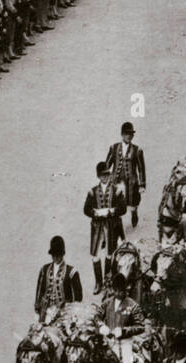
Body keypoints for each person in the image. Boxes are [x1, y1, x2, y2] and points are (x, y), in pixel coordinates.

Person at [96, 272, 145, 363]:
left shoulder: (133, 305)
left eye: (121, 290)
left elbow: (141, 326)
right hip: (108, 342)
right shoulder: (107, 303)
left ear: (126, 289)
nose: (118, 293)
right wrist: (101, 326)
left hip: (125, 343)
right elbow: (96, 316)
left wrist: (124, 331)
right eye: (116, 290)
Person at [83, 160, 128, 293]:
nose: (105, 177)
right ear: (98, 176)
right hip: (97, 227)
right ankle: (98, 282)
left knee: (110, 254)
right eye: (102, 175)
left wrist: (111, 211)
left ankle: (108, 280)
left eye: (107, 174)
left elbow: (123, 208)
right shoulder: (92, 192)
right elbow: (86, 209)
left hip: (111, 226)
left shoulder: (117, 190)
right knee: (95, 255)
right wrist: (95, 213)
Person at [106, 121, 147, 228]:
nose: (129, 136)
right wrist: (105, 178)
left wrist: (142, 184)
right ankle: (115, 223)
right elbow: (107, 164)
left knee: (132, 202)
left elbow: (141, 168)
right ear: (122, 134)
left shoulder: (137, 150)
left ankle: (134, 214)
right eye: (126, 134)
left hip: (131, 182)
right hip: (116, 181)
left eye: (131, 134)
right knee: (115, 202)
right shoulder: (114, 148)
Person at [34, 235, 83, 319]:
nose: (55, 257)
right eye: (53, 255)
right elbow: (40, 291)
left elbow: (78, 297)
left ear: (62, 254)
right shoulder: (44, 269)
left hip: (64, 314)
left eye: (58, 254)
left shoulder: (71, 272)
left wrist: (70, 308)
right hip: (45, 312)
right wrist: (38, 308)